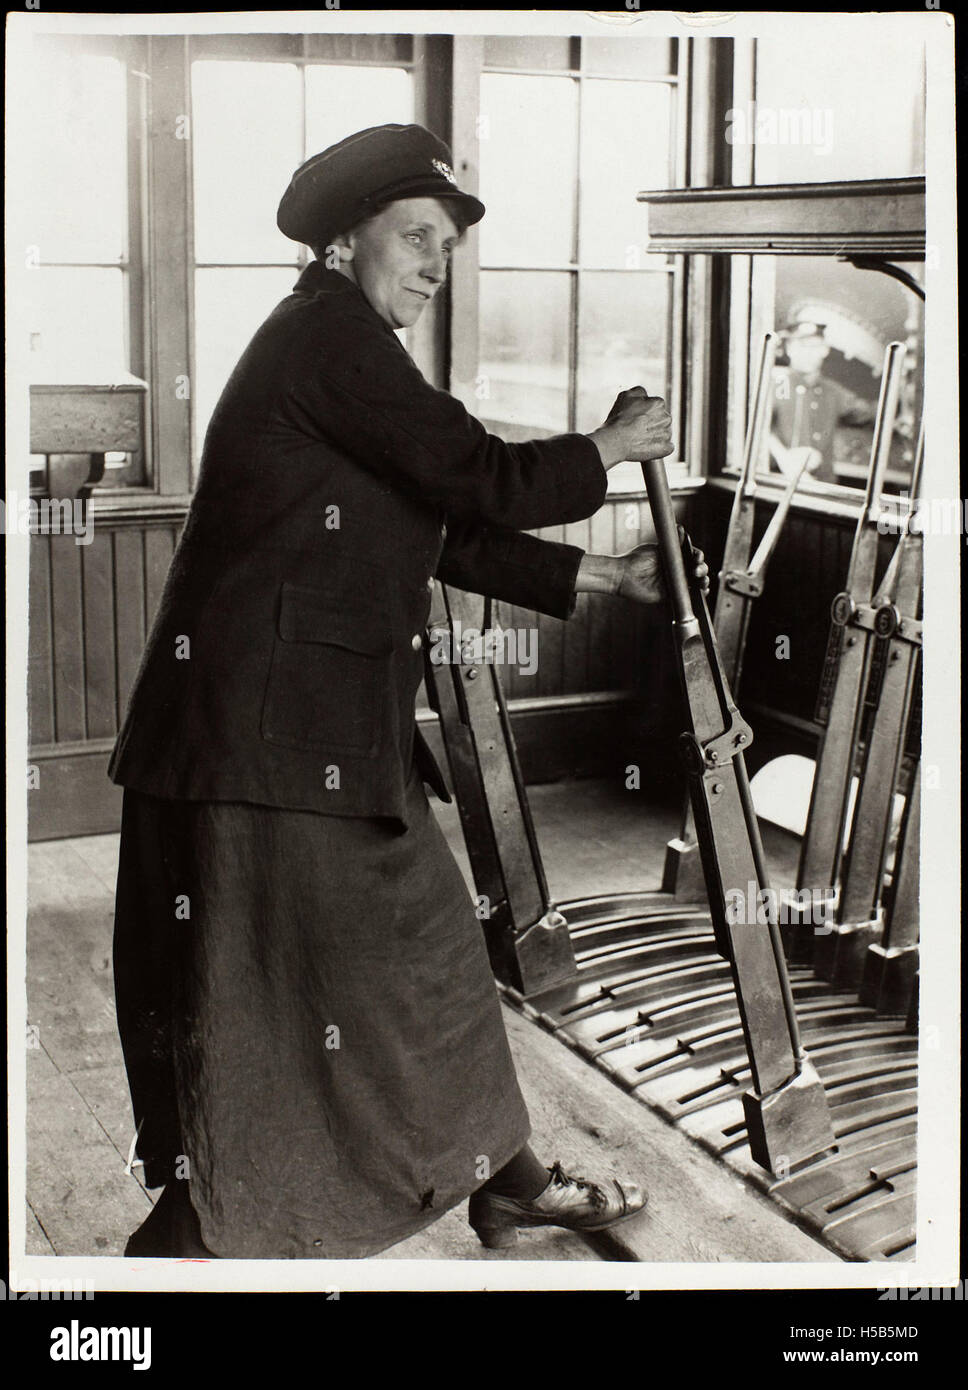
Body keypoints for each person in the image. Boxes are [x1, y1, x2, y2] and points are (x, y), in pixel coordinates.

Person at [110, 123, 707, 1259]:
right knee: (262, 997)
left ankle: (505, 1180)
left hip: (294, 736)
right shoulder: (329, 339)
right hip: (260, 746)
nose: (437, 264)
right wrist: (607, 444)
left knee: (425, 950)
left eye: (448, 244)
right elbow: (474, 472)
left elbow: (435, 520)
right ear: (345, 243)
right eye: (416, 237)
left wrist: (601, 574)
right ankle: (187, 1250)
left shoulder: (336, 346)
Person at [769, 319, 876, 484]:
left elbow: (868, 413)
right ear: (789, 349)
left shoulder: (833, 391)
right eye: (802, 346)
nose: (809, 353)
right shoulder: (777, 383)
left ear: (825, 350)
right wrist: (785, 459)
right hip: (780, 486)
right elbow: (757, 429)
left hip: (823, 487)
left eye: (815, 346)